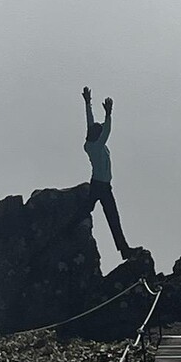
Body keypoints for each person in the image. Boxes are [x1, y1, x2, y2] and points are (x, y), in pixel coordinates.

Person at [81, 86, 137, 260]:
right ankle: (124, 250)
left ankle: (124, 249)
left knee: (105, 215)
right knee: (111, 217)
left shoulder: (93, 144)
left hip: (102, 185)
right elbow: (105, 130)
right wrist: (108, 114)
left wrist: (88, 103)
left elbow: (90, 123)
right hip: (100, 186)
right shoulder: (97, 146)